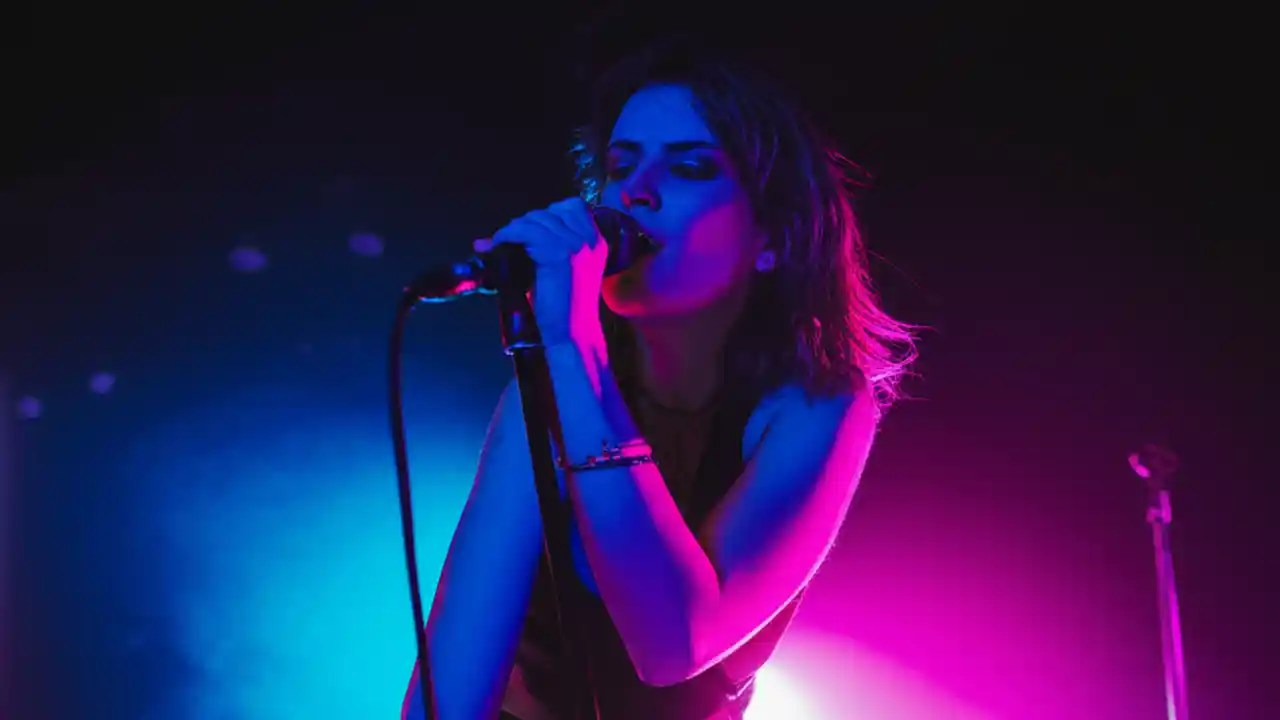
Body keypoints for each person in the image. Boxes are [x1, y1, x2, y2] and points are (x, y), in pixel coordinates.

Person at [402, 39, 917, 720]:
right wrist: (568, 354)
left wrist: (573, 344)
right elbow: (450, 688)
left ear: (774, 238)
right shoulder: (548, 389)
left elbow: (673, 646)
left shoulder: (818, 405)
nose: (637, 193)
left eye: (690, 167)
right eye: (621, 167)